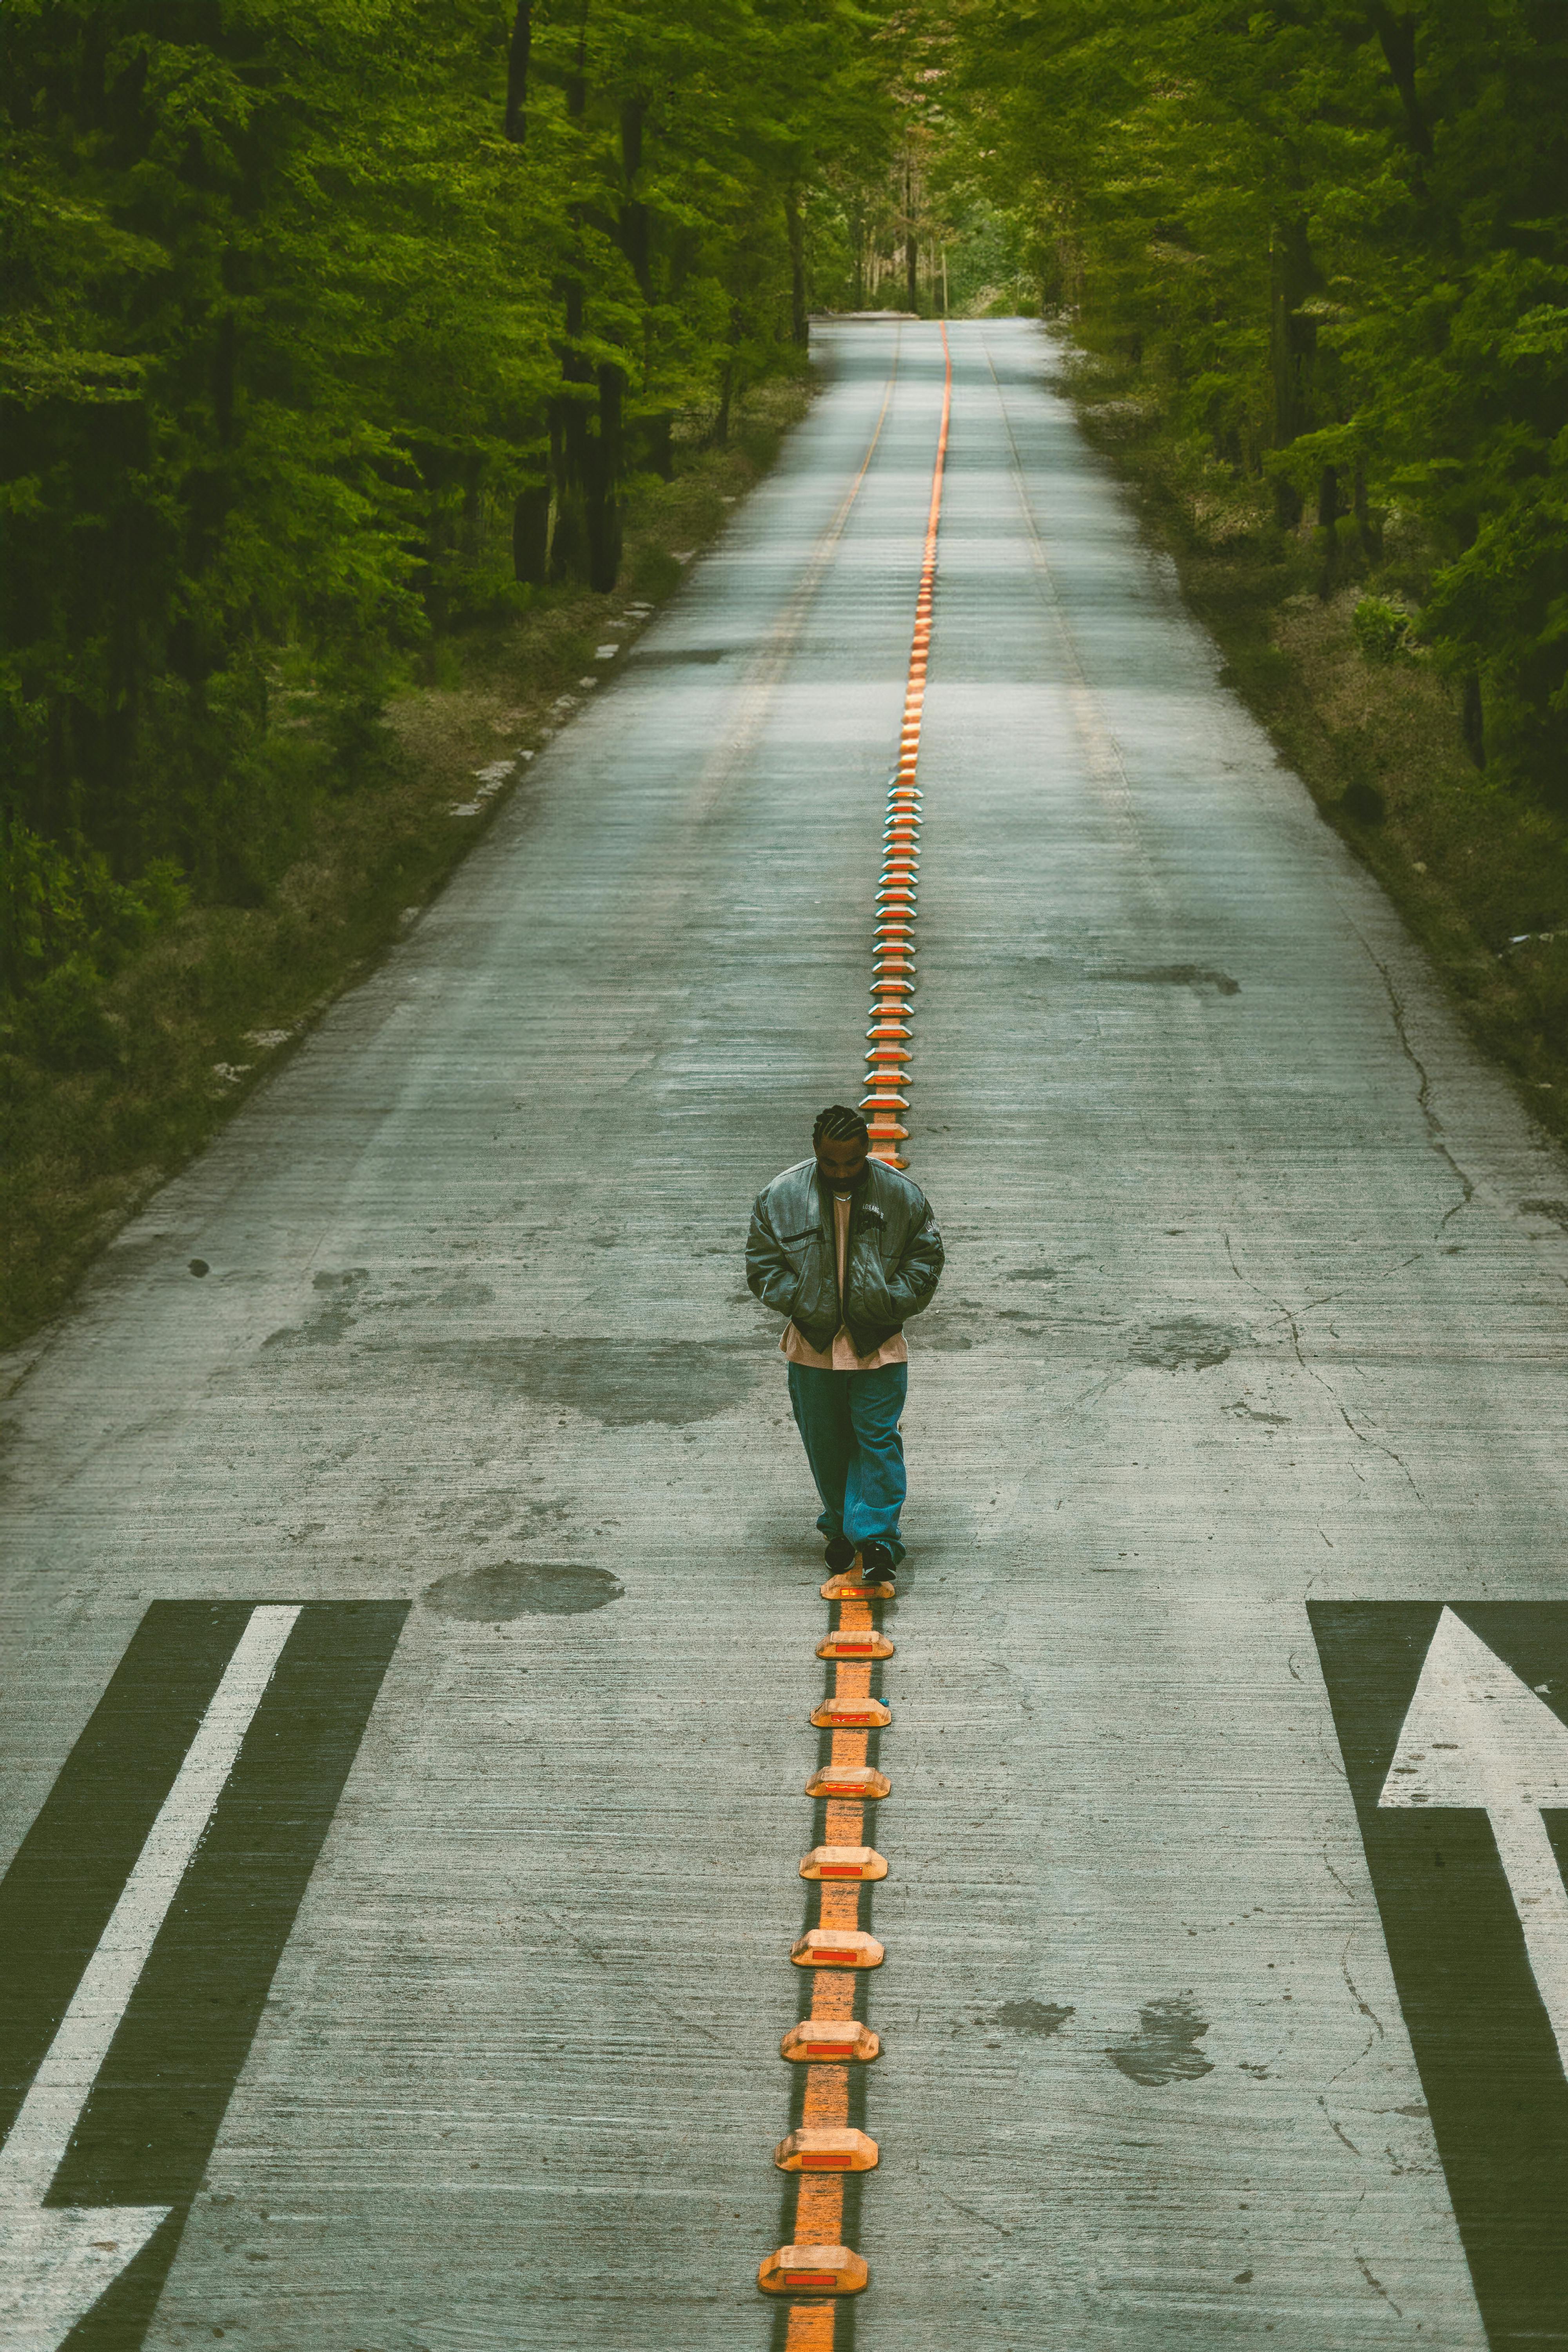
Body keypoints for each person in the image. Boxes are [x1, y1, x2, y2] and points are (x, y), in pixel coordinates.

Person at [745, 1105, 944, 1587]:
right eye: (832, 1163)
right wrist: (802, 1301)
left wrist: (889, 1303)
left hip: (877, 1341)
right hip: (812, 1344)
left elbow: (927, 1258)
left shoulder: (900, 1196)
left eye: (852, 1163)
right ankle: (839, 1525)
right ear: (816, 1152)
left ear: (866, 1153)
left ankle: (877, 1538)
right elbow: (761, 1266)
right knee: (827, 1442)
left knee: (877, 1437)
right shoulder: (781, 1196)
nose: (841, 1173)